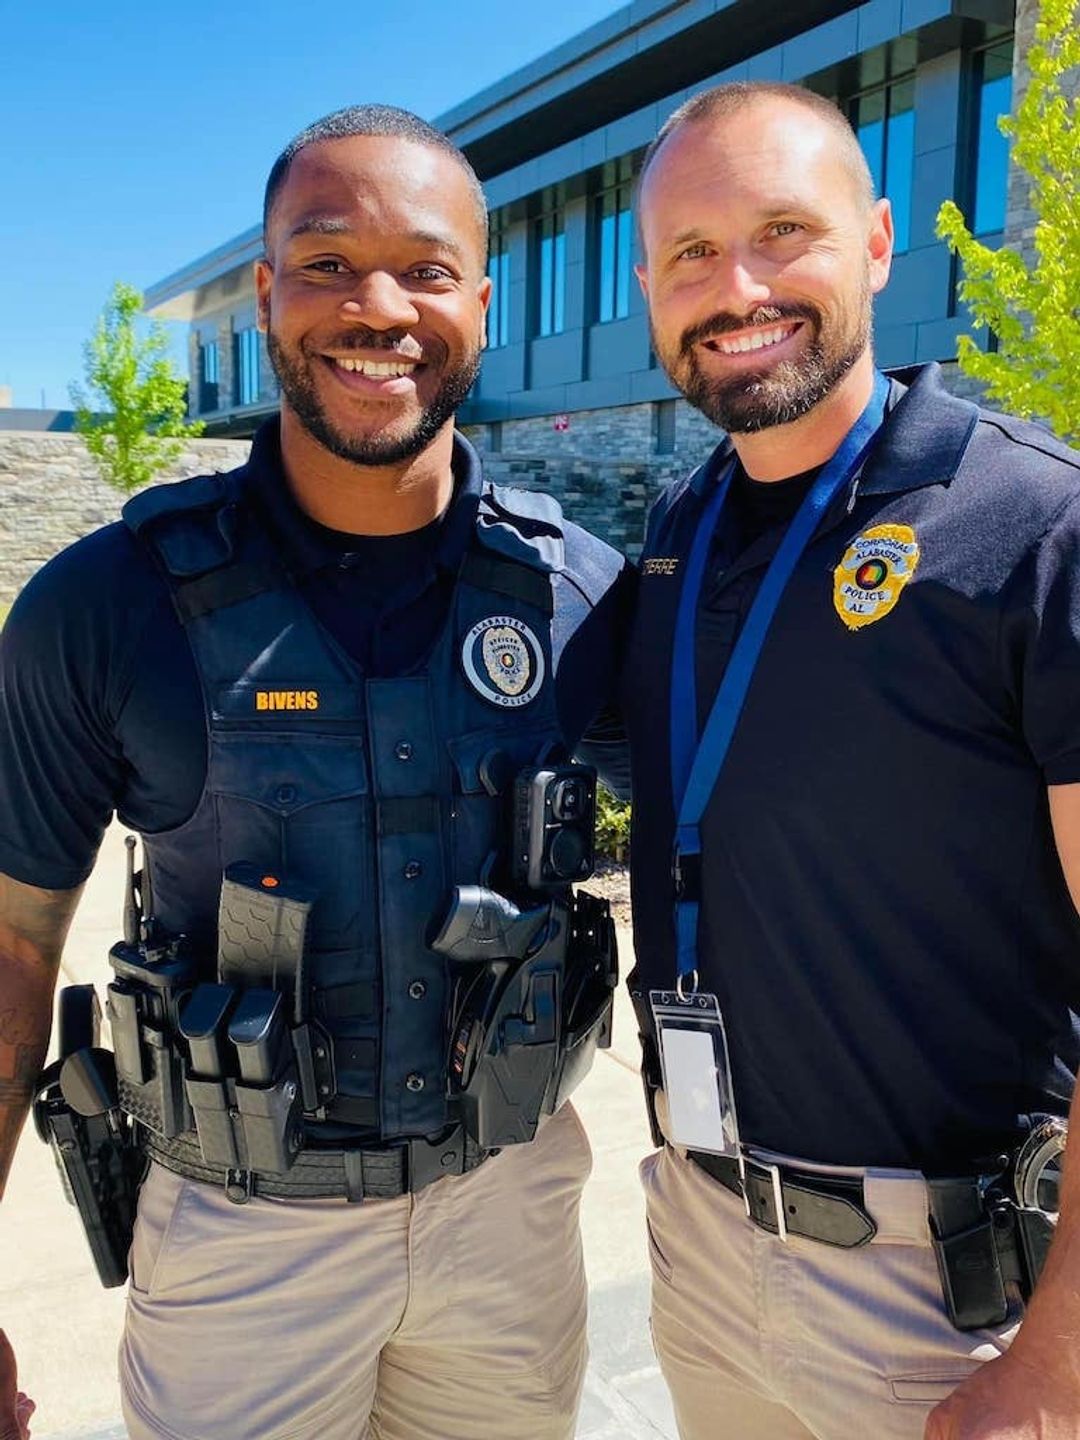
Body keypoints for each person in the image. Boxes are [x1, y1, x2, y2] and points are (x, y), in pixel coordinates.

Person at [0, 105, 629, 1440]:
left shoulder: (580, 591)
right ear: (269, 290)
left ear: (483, 300)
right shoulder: (106, 605)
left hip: (509, 1220)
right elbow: (9, 949)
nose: (378, 306)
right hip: (241, 1249)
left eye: (425, 266)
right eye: (329, 262)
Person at [627, 80, 1080, 1440]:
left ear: (880, 243)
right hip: (700, 1246)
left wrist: (1054, 1372)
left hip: (940, 1289)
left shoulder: (1032, 524)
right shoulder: (672, 537)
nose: (739, 285)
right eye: (692, 253)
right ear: (648, 285)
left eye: (783, 231)